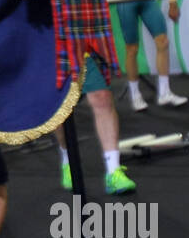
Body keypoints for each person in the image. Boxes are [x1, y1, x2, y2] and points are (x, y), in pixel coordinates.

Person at [54, 57, 137, 195]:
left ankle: (113, 170)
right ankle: (67, 160)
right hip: (48, 51)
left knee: (102, 96)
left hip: (80, 47)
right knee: (59, 109)